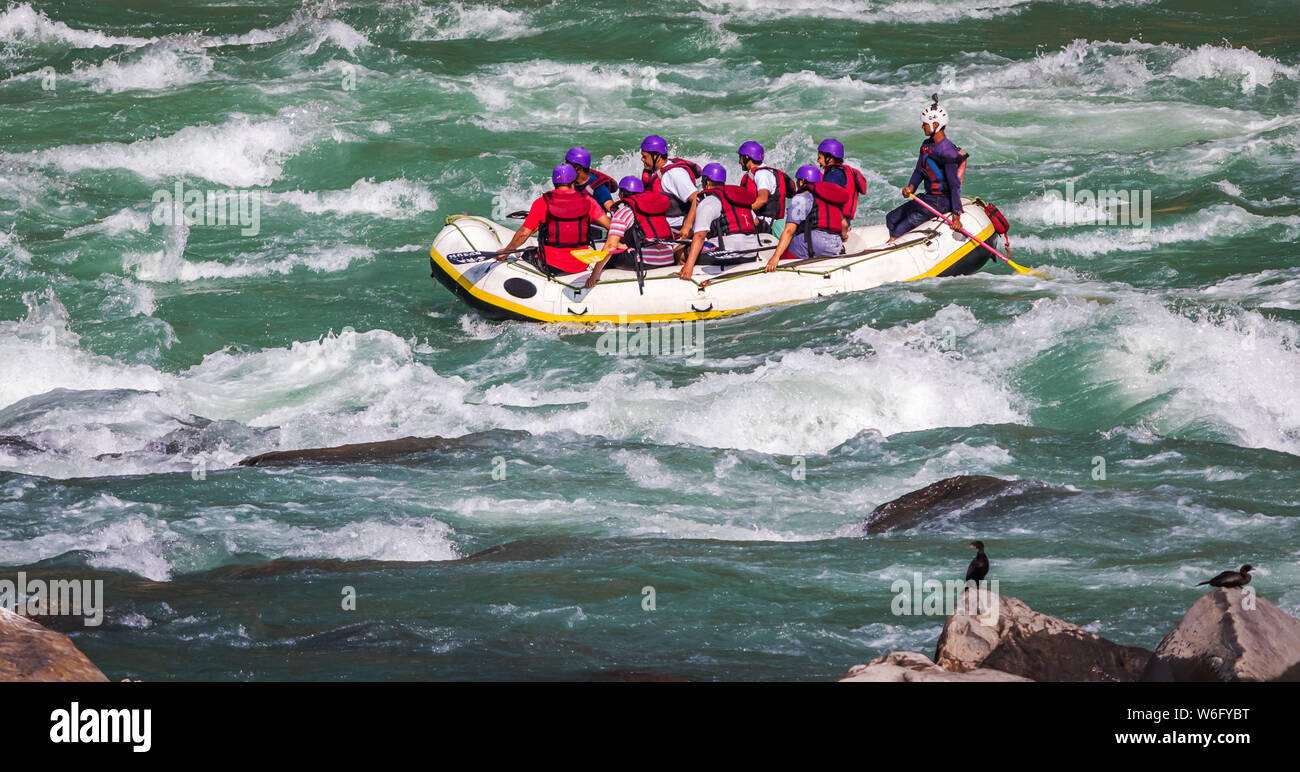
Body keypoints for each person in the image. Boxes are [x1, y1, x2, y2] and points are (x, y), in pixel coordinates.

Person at [496, 164, 612, 274]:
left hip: (552, 265)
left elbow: (523, 234)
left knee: (528, 252)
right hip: (581, 264)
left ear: (553, 182)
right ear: (573, 181)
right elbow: (610, 226)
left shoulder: (542, 202)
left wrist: (506, 252)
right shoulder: (588, 201)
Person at [886, 94, 969, 241]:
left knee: (899, 230)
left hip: (940, 203)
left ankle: (892, 244)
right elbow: (919, 171)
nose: (922, 126)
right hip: (928, 199)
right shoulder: (926, 145)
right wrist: (911, 187)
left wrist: (956, 215)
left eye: (924, 123)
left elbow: (954, 185)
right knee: (891, 218)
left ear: (935, 124)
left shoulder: (948, 151)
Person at [584, 176, 677, 288]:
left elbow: (610, 246)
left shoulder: (623, 212)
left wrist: (593, 276)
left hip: (646, 261)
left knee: (609, 259)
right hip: (668, 257)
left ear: (622, 194)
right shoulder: (656, 210)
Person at [677, 163, 759, 281]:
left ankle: (687, 280)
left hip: (727, 254)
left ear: (708, 182)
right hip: (751, 253)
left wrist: (688, 266)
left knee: (680, 251)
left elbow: (700, 235)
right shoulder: (735, 196)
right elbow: (755, 221)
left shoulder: (709, 201)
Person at [763, 165, 847, 271]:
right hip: (835, 245)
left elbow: (789, 230)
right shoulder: (829, 198)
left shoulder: (801, 198)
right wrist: (843, 236)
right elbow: (844, 224)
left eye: (798, 181)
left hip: (813, 244)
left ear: (802, 181)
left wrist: (775, 257)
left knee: (785, 256)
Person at [638, 135, 701, 232]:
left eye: (644, 156)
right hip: (658, 227)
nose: (642, 159)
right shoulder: (654, 172)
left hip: (676, 229)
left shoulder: (675, 174)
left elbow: (697, 198)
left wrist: (687, 226)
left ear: (656, 156)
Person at [815, 138, 868, 239]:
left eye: (819, 157)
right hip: (844, 221)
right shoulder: (844, 171)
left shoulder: (833, 175)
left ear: (829, 158)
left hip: (836, 223)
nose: (817, 161)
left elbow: (831, 202)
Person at [737, 140, 793, 234]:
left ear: (746, 157)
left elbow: (763, 199)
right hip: (767, 222)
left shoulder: (761, 174)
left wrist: (741, 211)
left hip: (765, 225)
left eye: (740, 157)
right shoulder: (766, 172)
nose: (739, 162)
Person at [564, 146, 618, 211]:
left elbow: (613, 209)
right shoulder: (567, 182)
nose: (564, 167)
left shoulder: (599, 188)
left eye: (567, 165)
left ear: (578, 169)